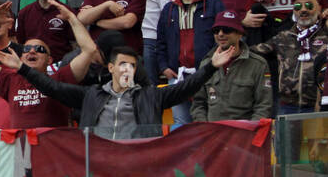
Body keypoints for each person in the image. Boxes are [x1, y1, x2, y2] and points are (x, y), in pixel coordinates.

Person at [17, 37, 237, 138]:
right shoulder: (91, 95)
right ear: (110, 67)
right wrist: (22, 68)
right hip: (98, 165)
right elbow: (52, 88)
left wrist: (210, 67)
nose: (126, 70)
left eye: (131, 66)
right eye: (122, 65)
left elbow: (186, 87)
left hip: (138, 164)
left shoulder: (151, 96)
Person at [0, 0, 99, 128]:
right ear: (21, 58)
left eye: (39, 49)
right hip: (20, 146)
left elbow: (89, 50)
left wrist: (72, 18)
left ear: (49, 60)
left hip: (52, 145)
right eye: (26, 49)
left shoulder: (60, 79)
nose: (32, 51)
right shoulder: (10, 81)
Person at [155, 0, 225, 126]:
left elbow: (224, 39)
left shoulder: (214, 5)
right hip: (178, 76)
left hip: (207, 75)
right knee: (181, 124)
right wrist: (164, 67)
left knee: (209, 120)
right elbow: (161, 41)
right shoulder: (169, 9)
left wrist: (213, 67)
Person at [250, 0, 328, 115]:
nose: (303, 10)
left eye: (309, 5)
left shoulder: (326, 35)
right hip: (287, 107)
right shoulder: (284, 37)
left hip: (317, 106)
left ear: (319, 8)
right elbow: (254, 51)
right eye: (298, 6)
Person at [188, 11, 274, 122]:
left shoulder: (258, 64)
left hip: (245, 133)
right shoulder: (206, 63)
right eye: (216, 31)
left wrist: (251, 130)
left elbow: (263, 105)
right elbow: (198, 103)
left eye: (227, 30)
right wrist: (204, 128)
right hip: (213, 133)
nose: (220, 34)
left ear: (240, 34)